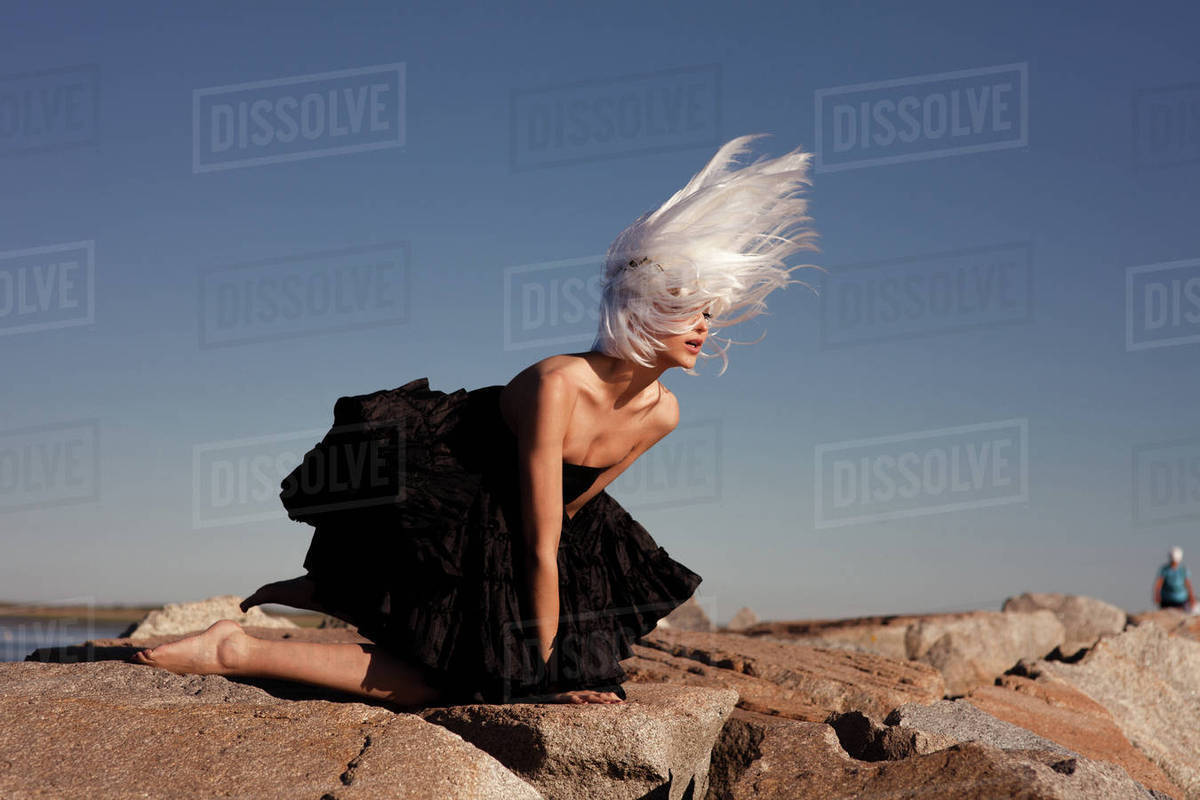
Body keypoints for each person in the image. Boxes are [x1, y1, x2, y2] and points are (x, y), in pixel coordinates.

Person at [127, 134, 819, 707]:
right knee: (473, 684)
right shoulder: (560, 384)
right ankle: (236, 645)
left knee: (481, 672)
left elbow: (573, 509)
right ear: (642, 309)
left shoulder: (662, 413)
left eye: (709, 312)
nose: (703, 327)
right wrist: (542, 673)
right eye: (688, 308)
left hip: (529, 515)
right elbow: (539, 541)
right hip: (450, 472)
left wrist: (540, 655)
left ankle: (290, 607)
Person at [1154, 546, 1195, 611]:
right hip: (1166, 599)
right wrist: (1157, 595)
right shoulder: (1164, 570)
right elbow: (1159, 583)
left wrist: (1192, 598)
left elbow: (1187, 584)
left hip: (1181, 600)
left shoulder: (1183, 570)